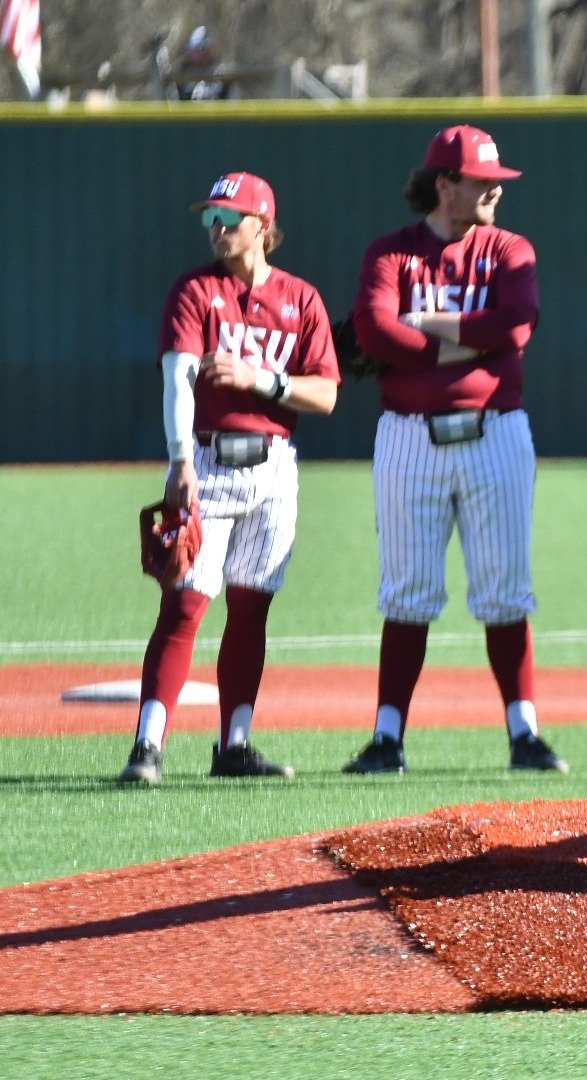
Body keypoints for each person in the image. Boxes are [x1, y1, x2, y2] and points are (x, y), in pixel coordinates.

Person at [342, 125, 567, 775]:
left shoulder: (508, 248)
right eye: (481, 181)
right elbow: (376, 332)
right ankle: (387, 739)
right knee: (407, 593)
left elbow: (517, 326)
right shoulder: (392, 255)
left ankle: (524, 734)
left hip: (496, 432)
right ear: (444, 186)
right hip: (410, 435)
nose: (495, 189)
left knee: (505, 592)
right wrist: (474, 341)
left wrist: (429, 328)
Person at [118, 171, 341, 784]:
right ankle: (147, 747)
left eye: (228, 218)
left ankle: (235, 745)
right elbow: (178, 378)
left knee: (251, 608)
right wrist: (179, 458)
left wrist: (261, 381)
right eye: (208, 219)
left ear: (262, 227)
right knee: (185, 602)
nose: (215, 228)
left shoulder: (301, 298)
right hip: (209, 463)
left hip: (273, 468)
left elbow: (326, 393)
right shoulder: (194, 291)